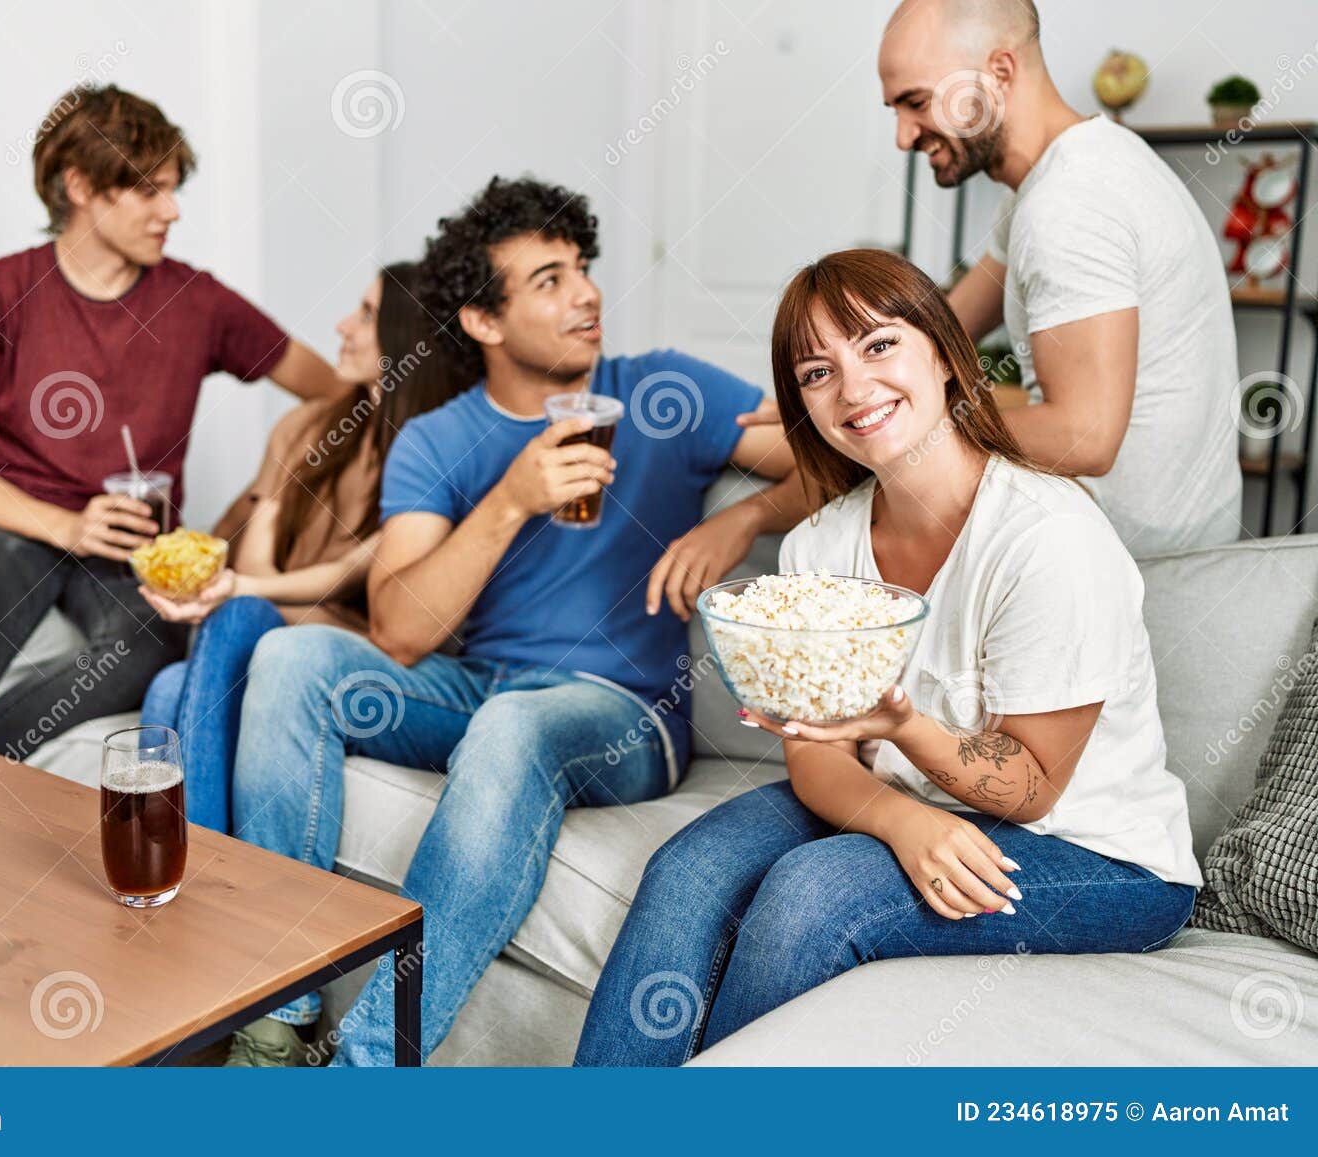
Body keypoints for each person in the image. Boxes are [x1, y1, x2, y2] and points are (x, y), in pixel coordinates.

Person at [574, 248, 1201, 1067]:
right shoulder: (818, 543)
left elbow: (1028, 784)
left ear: (943, 353)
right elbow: (816, 758)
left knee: (815, 895)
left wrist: (903, 724)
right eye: (816, 371)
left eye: (878, 346)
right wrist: (899, 817)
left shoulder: (1049, 537)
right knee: (688, 871)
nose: (853, 388)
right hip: (908, 794)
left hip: (1098, 852)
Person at [226, 176, 803, 1066]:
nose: (586, 294)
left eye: (582, 269)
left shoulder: (666, 390)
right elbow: (401, 632)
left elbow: (834, 457)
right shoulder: (439, 439)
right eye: (549, 280)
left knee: (512, 725)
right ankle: (278, 1022)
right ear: (483, 323)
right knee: (290, 655)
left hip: (621, 711)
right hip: (482, 684)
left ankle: (367, 1070)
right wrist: (509, 499)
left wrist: (742, 518)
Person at [0, 85, 343, 759]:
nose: (173, 210)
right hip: (10, 526)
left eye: (173, 188)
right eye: (151, 191)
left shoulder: (198, 301)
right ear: (80, 187)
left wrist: (270, 491)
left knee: (146, 649)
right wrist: (68, 525)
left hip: (135, 546)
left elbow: (335, 393)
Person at [742, 0, 1242, 557]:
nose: (903, 137)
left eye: (917, 102)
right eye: (895, 110)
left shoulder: (1071, 203)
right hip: (1129, 534)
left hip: (1140, 564)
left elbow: (1086, 436)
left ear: (999, 72)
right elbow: (940, 331)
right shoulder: (1058, 177)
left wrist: (879, 420)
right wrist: (827, 393)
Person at [134, 263, 470, 836]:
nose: (341, 326)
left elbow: (330, 574)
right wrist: (269, 500)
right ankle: (178, 878)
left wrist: (243, 588)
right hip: (271, 634)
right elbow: (250, 559)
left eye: (365, 314)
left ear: (406, 339)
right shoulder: (312, 429)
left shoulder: (439, 455)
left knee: (239, 616)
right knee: (169, 684)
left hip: (356, 659)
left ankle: (198, 875)